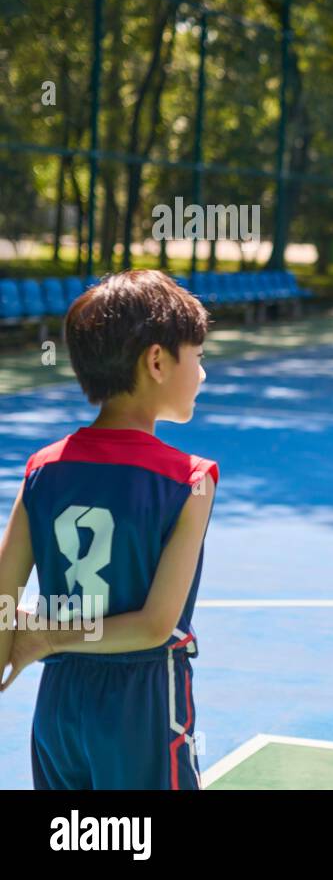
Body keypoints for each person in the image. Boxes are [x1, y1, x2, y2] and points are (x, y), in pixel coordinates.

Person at [0, 270, 217, 789]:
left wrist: (35, 639)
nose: (204, 374)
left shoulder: (42, 469)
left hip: (61, 703)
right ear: (158, 361)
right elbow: (152, 626)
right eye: (198, 356)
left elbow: (4, 597)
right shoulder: (189, 480)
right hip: (141, 704)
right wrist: (46, 639)